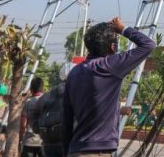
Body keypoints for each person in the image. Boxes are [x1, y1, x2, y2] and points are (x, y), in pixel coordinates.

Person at [63, 17, 155, 155]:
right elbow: (148, 45)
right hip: (97, 152)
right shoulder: (109, 66)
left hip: (75, 149)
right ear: (113, 47)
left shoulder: (74, 73)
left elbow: (66, 120)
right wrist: (122, 29)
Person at [34, 64, 74, 157]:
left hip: (48, 143)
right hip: (68, 142)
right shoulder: (75, 92)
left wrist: (37, 128)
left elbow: (34, 113)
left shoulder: (48, 94)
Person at [20, 77, 45, 156]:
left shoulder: (28, 103)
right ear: (42, 88)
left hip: (29, 141)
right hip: (44, 141)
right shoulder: (48, 100)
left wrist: (20, 139)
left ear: (31, 89)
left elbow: (23, 125)